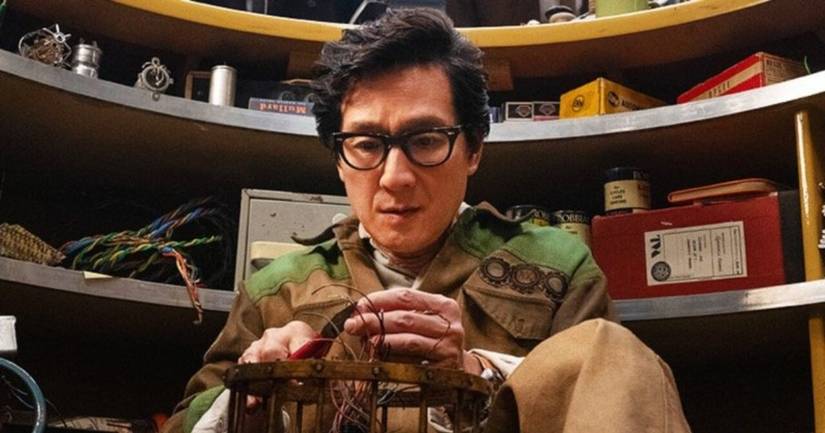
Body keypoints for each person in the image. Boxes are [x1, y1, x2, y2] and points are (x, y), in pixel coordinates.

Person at [161, 8, 691, 433]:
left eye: (426, 140)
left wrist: (475, 374)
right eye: (365, 144)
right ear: (339, 159)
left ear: (474, 149)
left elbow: (613, 396)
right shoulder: (275, 289)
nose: (395, 177)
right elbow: (186, 421)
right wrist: (253, 393)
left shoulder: (556, 264)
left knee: (612, 351)